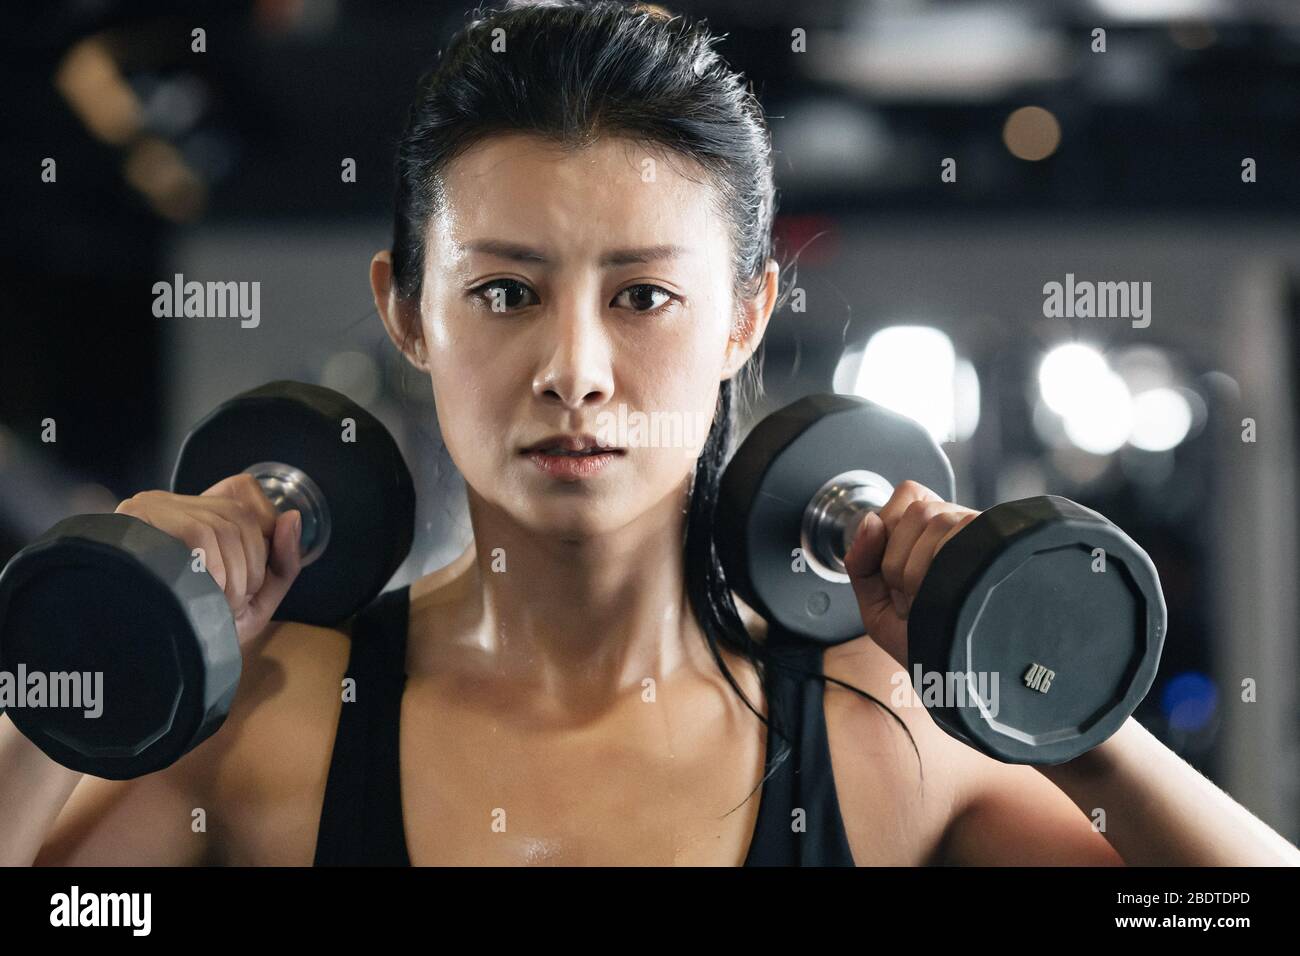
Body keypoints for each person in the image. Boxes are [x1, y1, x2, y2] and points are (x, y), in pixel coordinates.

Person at [4, 0, 1298, 867]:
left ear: (744, 319)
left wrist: (1067, 706)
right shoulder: (271, 728)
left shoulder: (882, 734)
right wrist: (82, 661)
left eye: (643, 297)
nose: (574, 369)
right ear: (407, 310)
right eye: (505, 291)